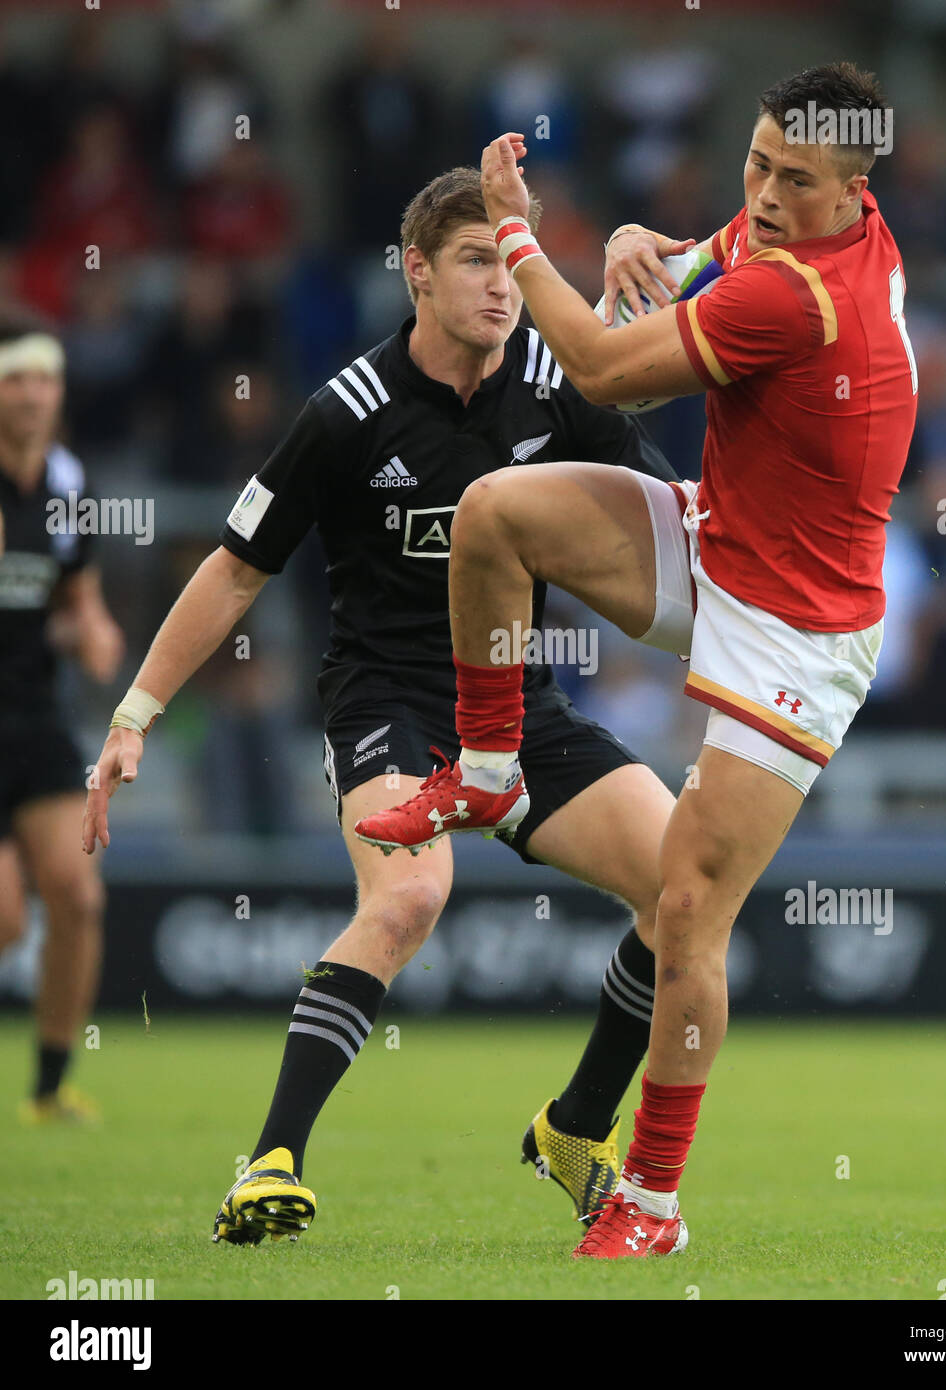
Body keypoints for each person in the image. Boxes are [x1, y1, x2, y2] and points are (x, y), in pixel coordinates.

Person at [358, 62, 920, 1259]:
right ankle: (496, 762)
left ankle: (651, 1204)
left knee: (685, 908)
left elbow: (604, 369)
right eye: (759, 161)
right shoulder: (824, 227)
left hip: (799, 629)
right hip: (725, 535)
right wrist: (629, 245)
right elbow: (693, 260)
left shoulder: (806, 298)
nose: (764, 193)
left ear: (851, 193)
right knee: (496, 514)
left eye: (794, 180)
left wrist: (519, 229)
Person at [83, 166, 691, 1245]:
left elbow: (659, 529)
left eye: (515, 259)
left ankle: (576, 1125)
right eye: (474, 259)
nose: (504, 285)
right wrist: (134, 713)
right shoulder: (347, 412)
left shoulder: (559, 384)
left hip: (518, 699)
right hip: (388, 700)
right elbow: (235, 568)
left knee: (686, 885)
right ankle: (269, 1159)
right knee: (412, 899)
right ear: (416, 273)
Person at [0, 319, 124, 1123]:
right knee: (6, 919)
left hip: (33, 713)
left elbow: (85, 607)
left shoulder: (68, 483)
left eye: (46, 379)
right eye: (17, 380)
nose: (35, 394)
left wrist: (96, 635)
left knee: (76, 899)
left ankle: (48, 1088)